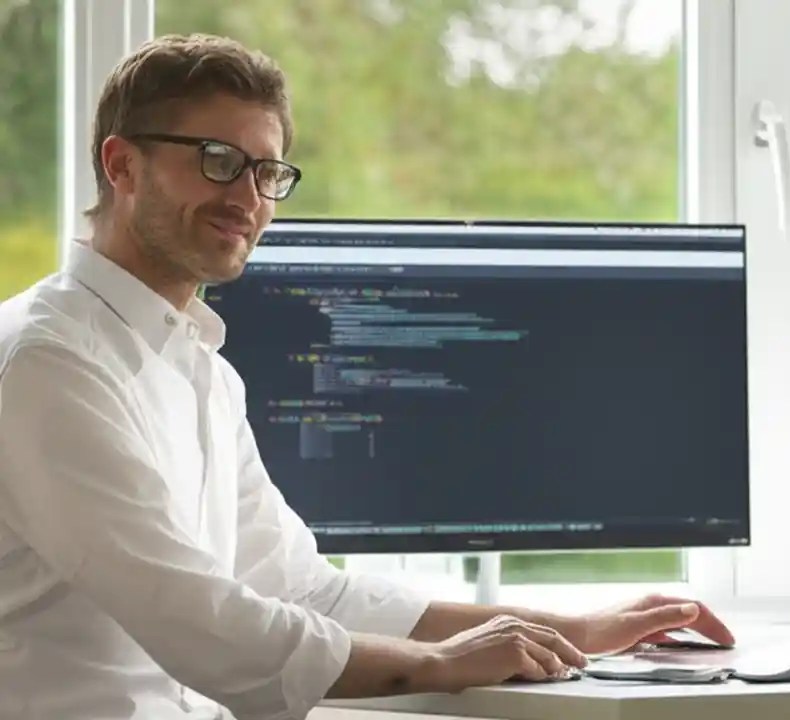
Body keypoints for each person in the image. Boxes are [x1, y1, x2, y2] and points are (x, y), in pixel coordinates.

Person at [0, 34, 734, 720]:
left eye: (267, 172)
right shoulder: (48, 361)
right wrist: (438, 663)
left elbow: (303, 588)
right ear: (121, 164)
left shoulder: (200, 369)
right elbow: (195, 620)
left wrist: (568, 627)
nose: (248, 199)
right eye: (218, 159)